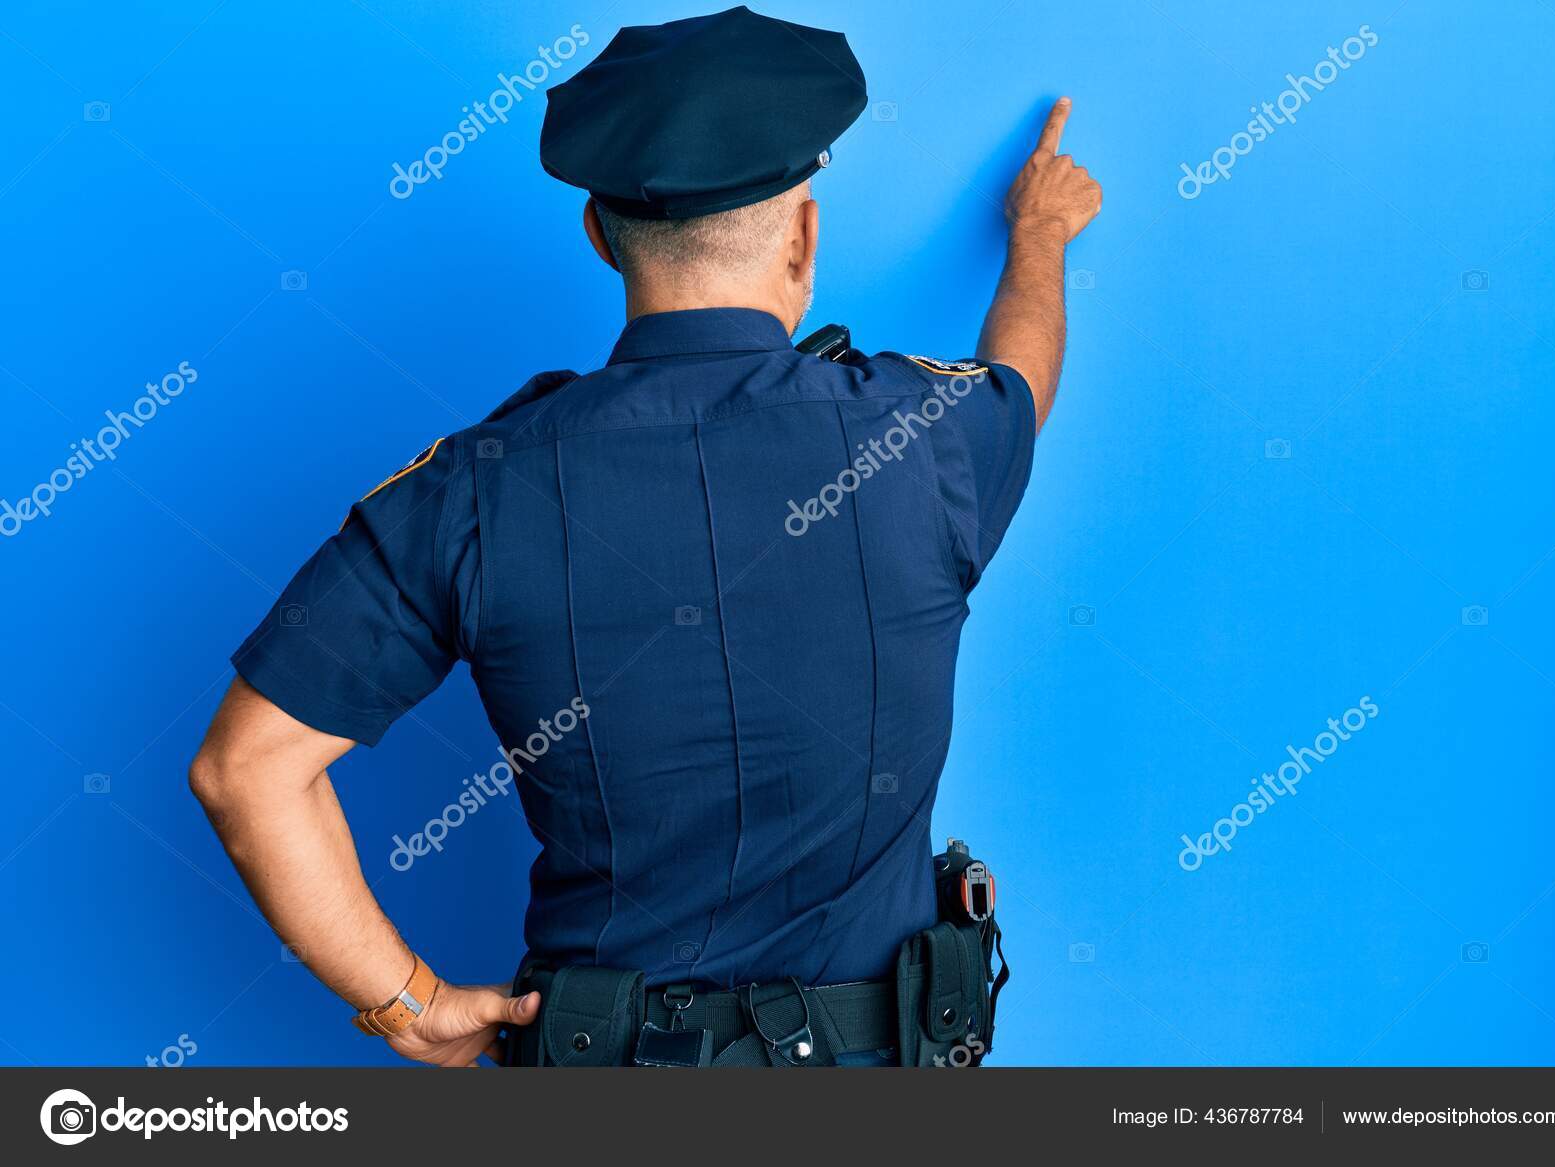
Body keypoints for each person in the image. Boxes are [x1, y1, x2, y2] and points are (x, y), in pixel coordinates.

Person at [189, 5, 1100, 1067]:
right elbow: (1023, 379)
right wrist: (1039, 236)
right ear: (804, 235)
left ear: (598, 234)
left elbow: (244, 770)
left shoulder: (471, 489)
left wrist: (410, 1004)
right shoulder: (929, 440)